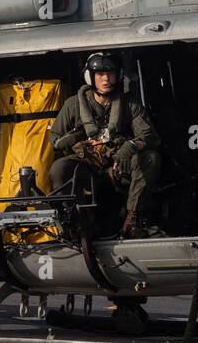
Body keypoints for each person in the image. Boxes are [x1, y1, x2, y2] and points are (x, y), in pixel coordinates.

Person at [48, 51, 162, 237]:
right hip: (86, 165)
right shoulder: (73, 105)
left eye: (110, 73)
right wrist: (73, 139)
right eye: (100, 74)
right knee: (59, 168)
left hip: (118, 165)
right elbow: (55, 139)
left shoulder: (130, 105)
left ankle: (134, 219)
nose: (106, 79)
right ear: (90, 77)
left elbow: (150, 137)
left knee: (150, 158)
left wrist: (130, 147)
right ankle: (74, 221)